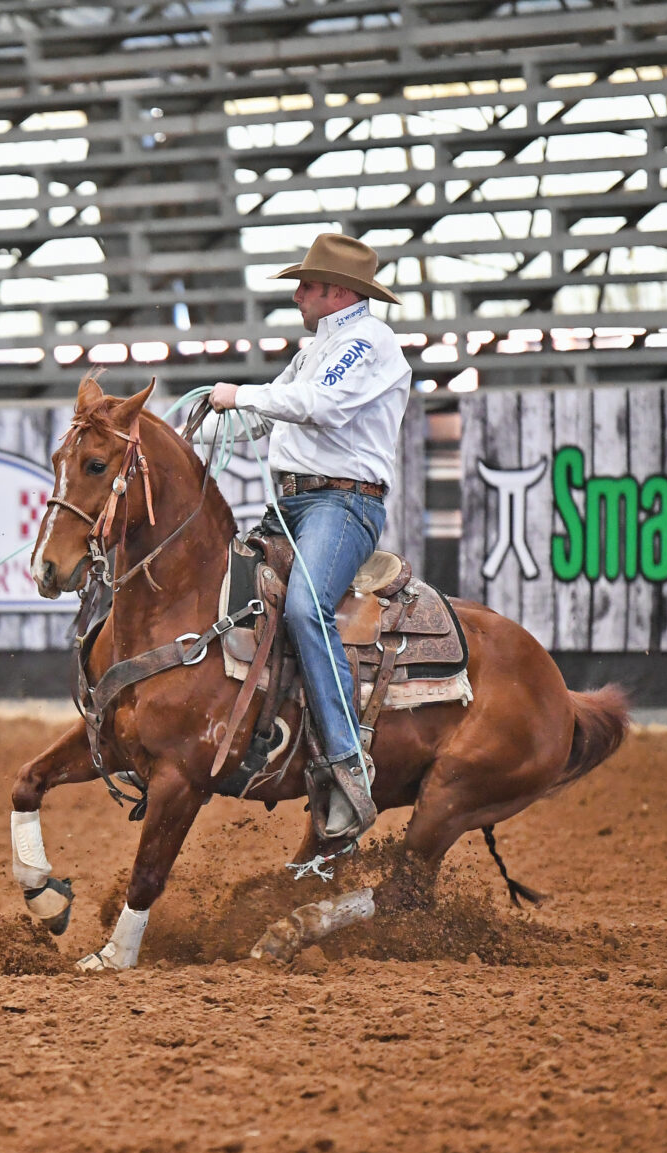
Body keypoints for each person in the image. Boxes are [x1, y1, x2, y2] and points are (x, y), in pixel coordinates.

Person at [207, 233, 410, 847]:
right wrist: (221, 415)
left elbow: (318, 406)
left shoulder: (368, 344)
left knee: (305, 606)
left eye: (307, 285)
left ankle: (348, 765)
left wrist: (239, 395)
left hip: (343, 503)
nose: (297, 294)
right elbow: (275, 412)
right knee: (232, 591)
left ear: (339, 292)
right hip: (297, 501)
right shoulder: (321, 345)